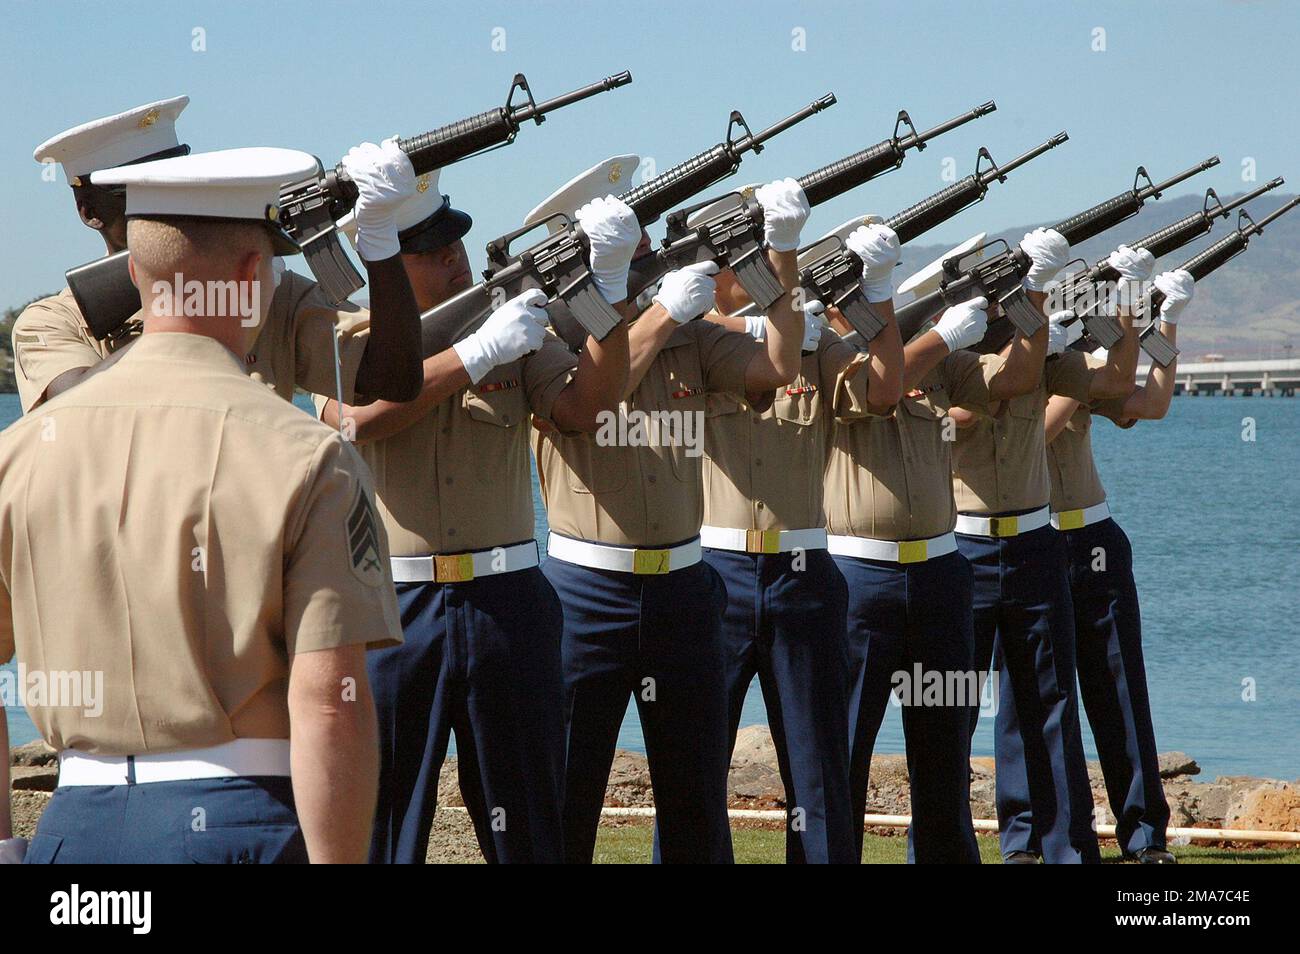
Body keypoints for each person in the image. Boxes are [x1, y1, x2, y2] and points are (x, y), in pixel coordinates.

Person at [0, 147, 402, 864]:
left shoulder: (19, 454)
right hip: (241, 822)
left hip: (74, 830)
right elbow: (329, 701)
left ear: (134, 273)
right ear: (254, 278)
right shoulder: (309, 457)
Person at [317, 158, 638, 863]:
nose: (455, 260)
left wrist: (605, 297)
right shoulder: (346, 335)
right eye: (433, 253)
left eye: (455, 244)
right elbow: (355, 419)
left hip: (509, 600)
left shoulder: (509, 323)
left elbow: (586, 409)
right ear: (388, 266)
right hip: (393, 607)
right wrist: (472, 355)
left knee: (528, 822)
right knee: (384, 823)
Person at [534, 175, 810, 863]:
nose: (650, 255)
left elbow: (779, 366)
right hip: (586, 592)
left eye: (645, 241)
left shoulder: (693, 334)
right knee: (567, 794)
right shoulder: (544, 336)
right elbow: (583, 408)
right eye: (626, 246)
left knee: (695, 806)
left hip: (684, 590)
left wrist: (780, 257)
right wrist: (655, 319)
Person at [697, 221, 905, 863]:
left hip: (805, 568)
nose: (765, 275)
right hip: (715, 567)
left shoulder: (817, 344)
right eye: (751, 263)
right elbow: (663, 328)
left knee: (818, 766)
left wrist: (878, 295)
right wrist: (761, 330)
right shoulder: (693, 337)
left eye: (775, 263)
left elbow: (885, 388)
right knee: (697, 766)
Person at [15, 95, 423, 413]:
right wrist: (197, 309)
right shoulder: (54, 323)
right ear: (88, 211)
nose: (169, 199)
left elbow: (393, 379)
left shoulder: (269, 293)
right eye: (138, 190)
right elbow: (82, 410)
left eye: (174, 181)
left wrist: (380, 243)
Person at [949, 236, 1147, 863]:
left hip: (1034, 543)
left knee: (1051, 697)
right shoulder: (950, 361)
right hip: (964, 545)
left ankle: (1067, 848)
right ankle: (990, 843)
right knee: (951, 707)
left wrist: (1130, 304)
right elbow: (969, 414)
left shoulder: (1040, 356)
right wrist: (1029, 337)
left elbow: (1118, 380)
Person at [1039, 268, 1194, 864]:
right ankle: (1063, 840)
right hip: (1034, 545)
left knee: (1121, 691)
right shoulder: (998, 372)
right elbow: (1036, 436)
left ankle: (1144, 836)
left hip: (1093, 538)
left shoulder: (1075, 369)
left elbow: (1151, 403)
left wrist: (1165, 321)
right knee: (1048, 701)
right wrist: (1070, 372)